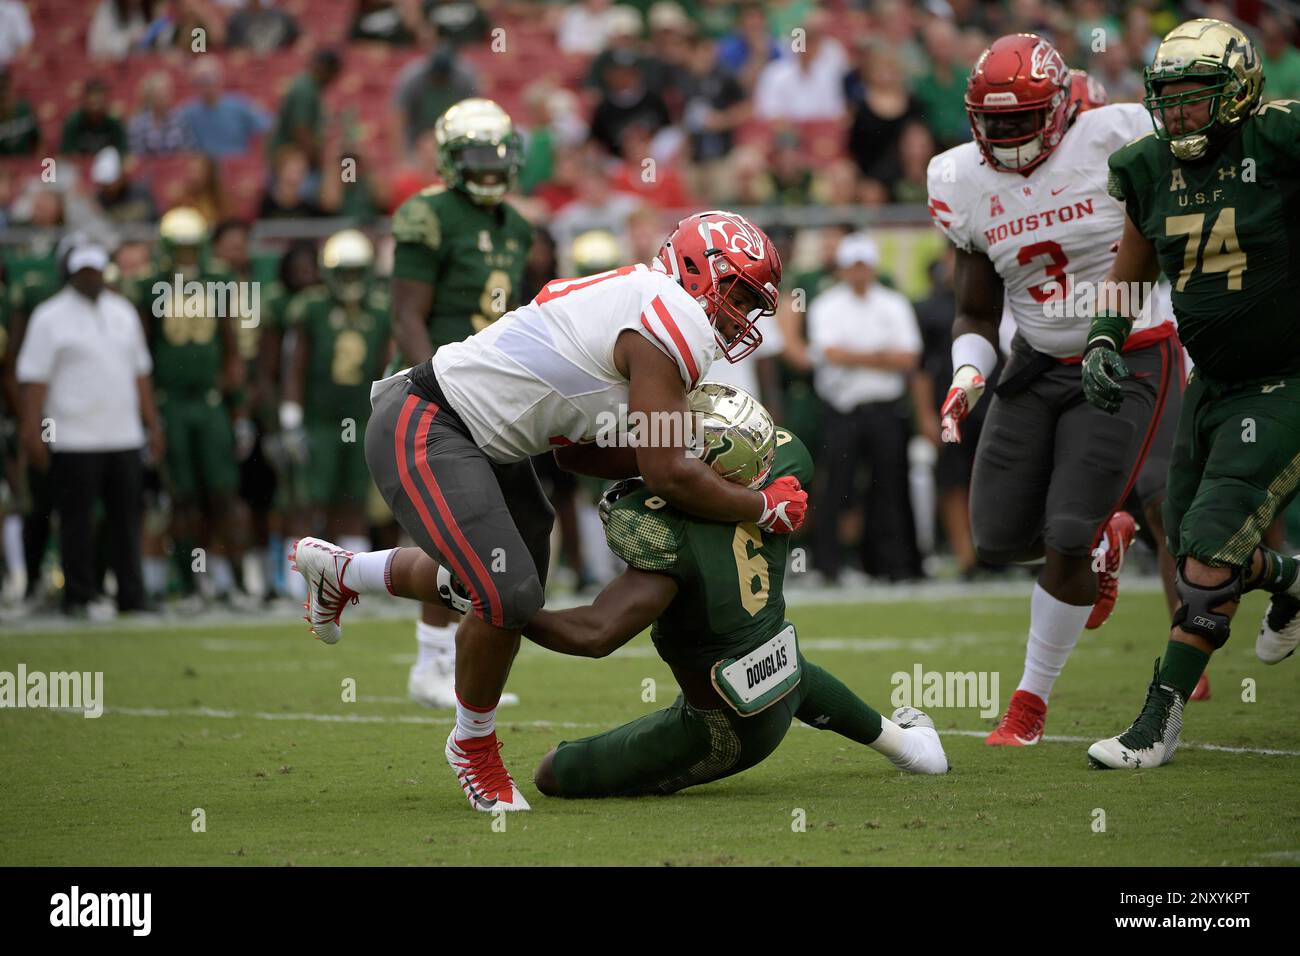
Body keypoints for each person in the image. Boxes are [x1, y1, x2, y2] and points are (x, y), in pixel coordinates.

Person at [290, 209, 801, 812]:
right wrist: (759, 505)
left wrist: (687, 452)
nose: (741, 313)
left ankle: (347, 574)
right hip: (429, 421)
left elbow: (581, 456)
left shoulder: (641, 301)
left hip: (488, 442)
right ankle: (471, 746)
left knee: (505, 587)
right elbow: (661, 471)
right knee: (506, 593)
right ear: (696, 270)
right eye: (737, 292)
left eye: (751, 300)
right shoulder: (673, 319)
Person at [926, 33, 1183, 747]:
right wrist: (967, 376)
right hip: (1036, 364)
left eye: (1021, 119)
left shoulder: (1117, 136)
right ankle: (1107, 542)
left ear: (1065, 106)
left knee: (1066, 535)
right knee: (998, 538)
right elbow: (976, 310)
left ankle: (1028, 707)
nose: (1005, 137)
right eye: (993, 122)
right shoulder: (960, 180)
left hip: (1127, 356)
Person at [515, 386, 949, 796]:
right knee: (782, 665)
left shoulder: (670, 539)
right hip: (784, 674)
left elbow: (594, 633)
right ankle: (912, 749)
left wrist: (506, 606)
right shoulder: (783, 467)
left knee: (551, 771)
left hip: (724, 730)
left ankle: (910, 748)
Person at [1083, 19, 1300, 769]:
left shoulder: (1277, 140)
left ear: (1237, 93)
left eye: (1194, 97)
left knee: (1207, 547)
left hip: (1287, 376)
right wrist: (1104, 336)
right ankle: (1290, 578)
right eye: (1167, 99)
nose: (1177, 114)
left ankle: (1155, 726)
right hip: (1211, 382)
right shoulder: (1147, 168)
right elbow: (1132, 267)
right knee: (1188, 538)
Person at [384, 99, 535, 709]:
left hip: (497, 395)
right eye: (478, 157)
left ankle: (459, 667)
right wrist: (437, 388)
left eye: (499, 157)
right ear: (450, 159)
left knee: (496, 530)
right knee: (451, 526)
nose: (491, 169)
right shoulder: (427, 214)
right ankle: (430, 661)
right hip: (442, 393)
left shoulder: (517, 227)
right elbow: (405, 314)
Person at [16, 241, 162, 616]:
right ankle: (79, 595)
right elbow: (34, 381)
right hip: (72, 437)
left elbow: (141, 374)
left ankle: (132, 595)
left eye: (96, 271)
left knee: (126, 520)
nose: (92, 278)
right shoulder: (49, 316)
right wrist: (33, 432)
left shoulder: (123, 311)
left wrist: (153, 425)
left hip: (124, 434)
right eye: (85, 272)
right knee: (76, 522)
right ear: (71, 274)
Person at [807, 232, 924, 583]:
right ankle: (827, 566)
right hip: (843, 408)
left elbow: (908, 358)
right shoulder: (825, 304)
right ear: (843, 269)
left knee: (891, 487)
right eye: (852, 266)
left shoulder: (894, 303)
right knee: (836, 487)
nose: (858, 273)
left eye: (863, 266)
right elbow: (830, 354)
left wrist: (856, 355)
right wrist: (880, 356)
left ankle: (895, 565)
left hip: (886, 408)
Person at [282, 231, 391, 551]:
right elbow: (296, 366)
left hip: (361, 417)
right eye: (344, 272)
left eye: (356, 272)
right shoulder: (312, 306)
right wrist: (291, 415)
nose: (350, 280)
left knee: (355, 498)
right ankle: (299, 575)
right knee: (312, 498)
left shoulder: (380, 309)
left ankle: (352, 574)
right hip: (321, 418)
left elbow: (386, 368)